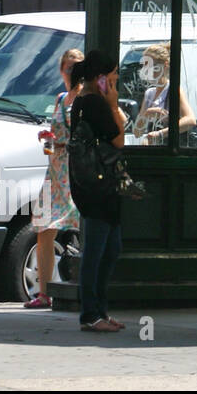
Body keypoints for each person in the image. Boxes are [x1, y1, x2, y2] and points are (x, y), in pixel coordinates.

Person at [67, 50, 128, 332]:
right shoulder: (95, 104)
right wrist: (114, 104)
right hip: (99, 187)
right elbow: (118, 141)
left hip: (92, 184)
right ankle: (90, 314)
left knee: (110, 248)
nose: (116, 80)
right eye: (113, 76)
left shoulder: (81, 100)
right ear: (101, 78)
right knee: (96, 252)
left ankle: (100, 311)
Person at [24, 48, 84, 310]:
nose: (71, 72)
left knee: (82, 226)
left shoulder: (87, 98)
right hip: (55, 171)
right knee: (43, 229)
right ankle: (45, 292)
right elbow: (59, 131)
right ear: (61, 70)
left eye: (76, 67)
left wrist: (62, 141)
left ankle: (89, 287)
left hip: (75, 169)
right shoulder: (61, 98)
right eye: (67, 67)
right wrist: (49, 136)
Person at [130, 44, 197, 146]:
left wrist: (160, 134)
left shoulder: (174, 90)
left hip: (171, 151)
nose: (146, 71)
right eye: (144, 66)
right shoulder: (149, 93)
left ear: (165, 65)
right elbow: (137, 132)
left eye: (149, 66)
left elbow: (190, 120)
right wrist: (147, 114)